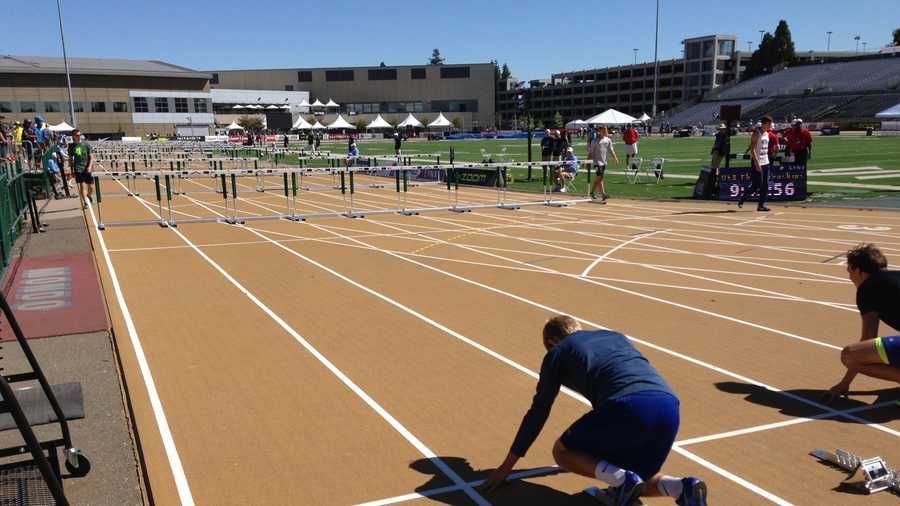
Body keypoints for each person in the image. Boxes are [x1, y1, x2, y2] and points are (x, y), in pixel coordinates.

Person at [481, 315, 707, 506]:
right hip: (668, 404)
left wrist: (506, 466)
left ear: (552, 342)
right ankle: (683, 487)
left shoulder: (558, 351)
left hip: (627, 405)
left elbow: (539, 411)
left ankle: (620, 481)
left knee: (562, 452)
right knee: (640, 477)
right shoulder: (614, 336)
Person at [826, 244, 900, 402]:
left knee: (850, 355)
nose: (849, 277)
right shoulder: (896, 277)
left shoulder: (867, 289)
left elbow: (868, 338)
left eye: (849, 271)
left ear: (858, 270)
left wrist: (845, 383)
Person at [737, 117, 772, 212]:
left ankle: (761, 205)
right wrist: (756, 163)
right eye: (769, 124)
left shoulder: (766, 133)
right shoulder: (757, 133)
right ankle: (743, 198)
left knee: (765, 185)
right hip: (757, 161)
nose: (770, 126)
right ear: (764, 124)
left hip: (766, 161)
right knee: (756, 185)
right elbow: (752, 148)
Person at [588, 126, 618, 204]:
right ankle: (601, 194)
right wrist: (587, 162)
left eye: (606, 130)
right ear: (600, 131)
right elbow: (591, 152)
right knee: (600, 177)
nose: (606, 131)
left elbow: (611, 150)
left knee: (600, 178)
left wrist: (615, 158)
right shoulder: (594, 141)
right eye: (604, 130)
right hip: (597, 162)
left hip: (604, 162)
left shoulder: (608, 140)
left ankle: (595, 193)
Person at [68, 129, 94, 209]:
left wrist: (89, 167)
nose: (79, 136)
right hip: (78, 168)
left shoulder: (86, 144)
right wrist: (72, 170)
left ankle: (89, 195)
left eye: (80, 135)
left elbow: (92, 157)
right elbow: (70, 159)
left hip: (87, 168)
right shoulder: (71, 146)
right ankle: (85, 202)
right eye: (77, 135)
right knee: (82, 186)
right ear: (73, 136)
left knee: (91, 187)